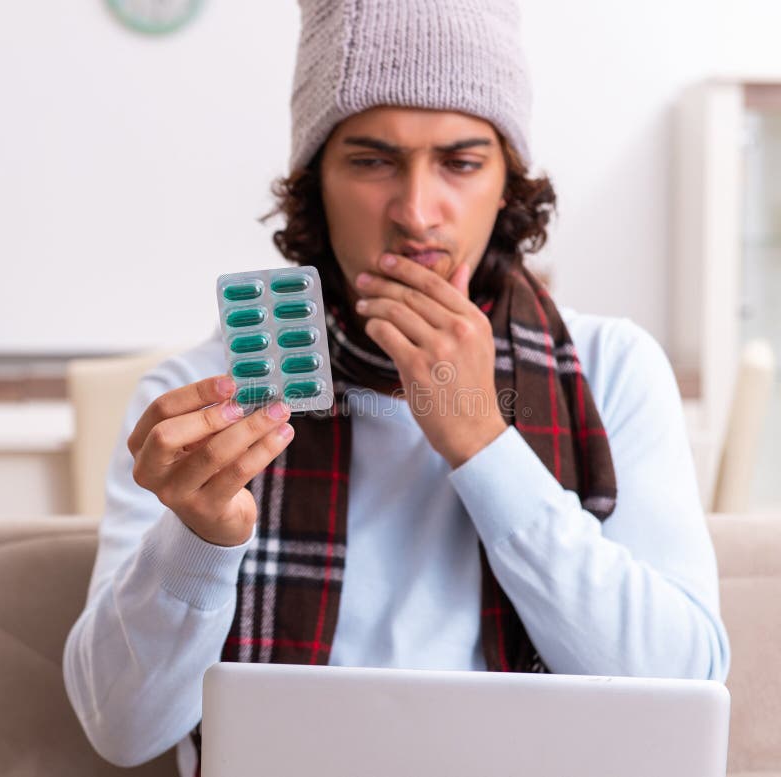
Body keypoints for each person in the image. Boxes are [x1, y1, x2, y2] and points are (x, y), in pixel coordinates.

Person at [63, 1, 730, 774]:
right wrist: (198, 543)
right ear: (315, 182)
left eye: (462, 161)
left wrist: (483, 443)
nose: (416, 214)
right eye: (372, 160)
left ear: (509, 181)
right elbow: (121, 730)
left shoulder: (613, 369)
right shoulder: (203, 396)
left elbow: (683, 687)